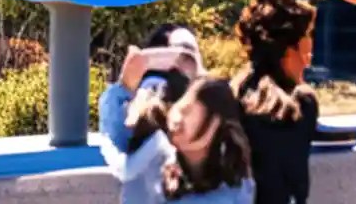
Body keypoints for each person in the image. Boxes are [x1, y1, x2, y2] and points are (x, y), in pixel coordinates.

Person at [100, 48, 254, 203]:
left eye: (189, 117)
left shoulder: (233, 190)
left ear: (216, 127)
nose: (177, 120)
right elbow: (115, 148)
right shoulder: (153, 147)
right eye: (181, 108)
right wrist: (124, 87)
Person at [234, 0, 319, 204]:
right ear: (289, 50)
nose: (307, 60)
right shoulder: (301, 104)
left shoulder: (231, 95)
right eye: (308, 36)